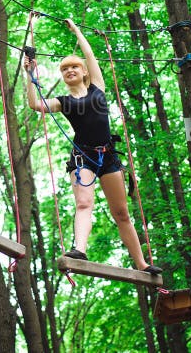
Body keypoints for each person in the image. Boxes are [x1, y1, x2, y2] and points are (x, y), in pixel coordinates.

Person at [23, 19, 161, 275]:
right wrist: (29, 74)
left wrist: (76, 30)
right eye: (65, 70)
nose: (70, 71)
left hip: (108, 155)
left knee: (121, 212)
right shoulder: (62, 102)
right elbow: (35, 104)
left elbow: (89, 55)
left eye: (74, 67)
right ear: (63, 78)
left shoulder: (98, 87)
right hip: (83, 156)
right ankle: (80, 249)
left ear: (84, 72)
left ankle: (142, 263)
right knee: (84, 203)